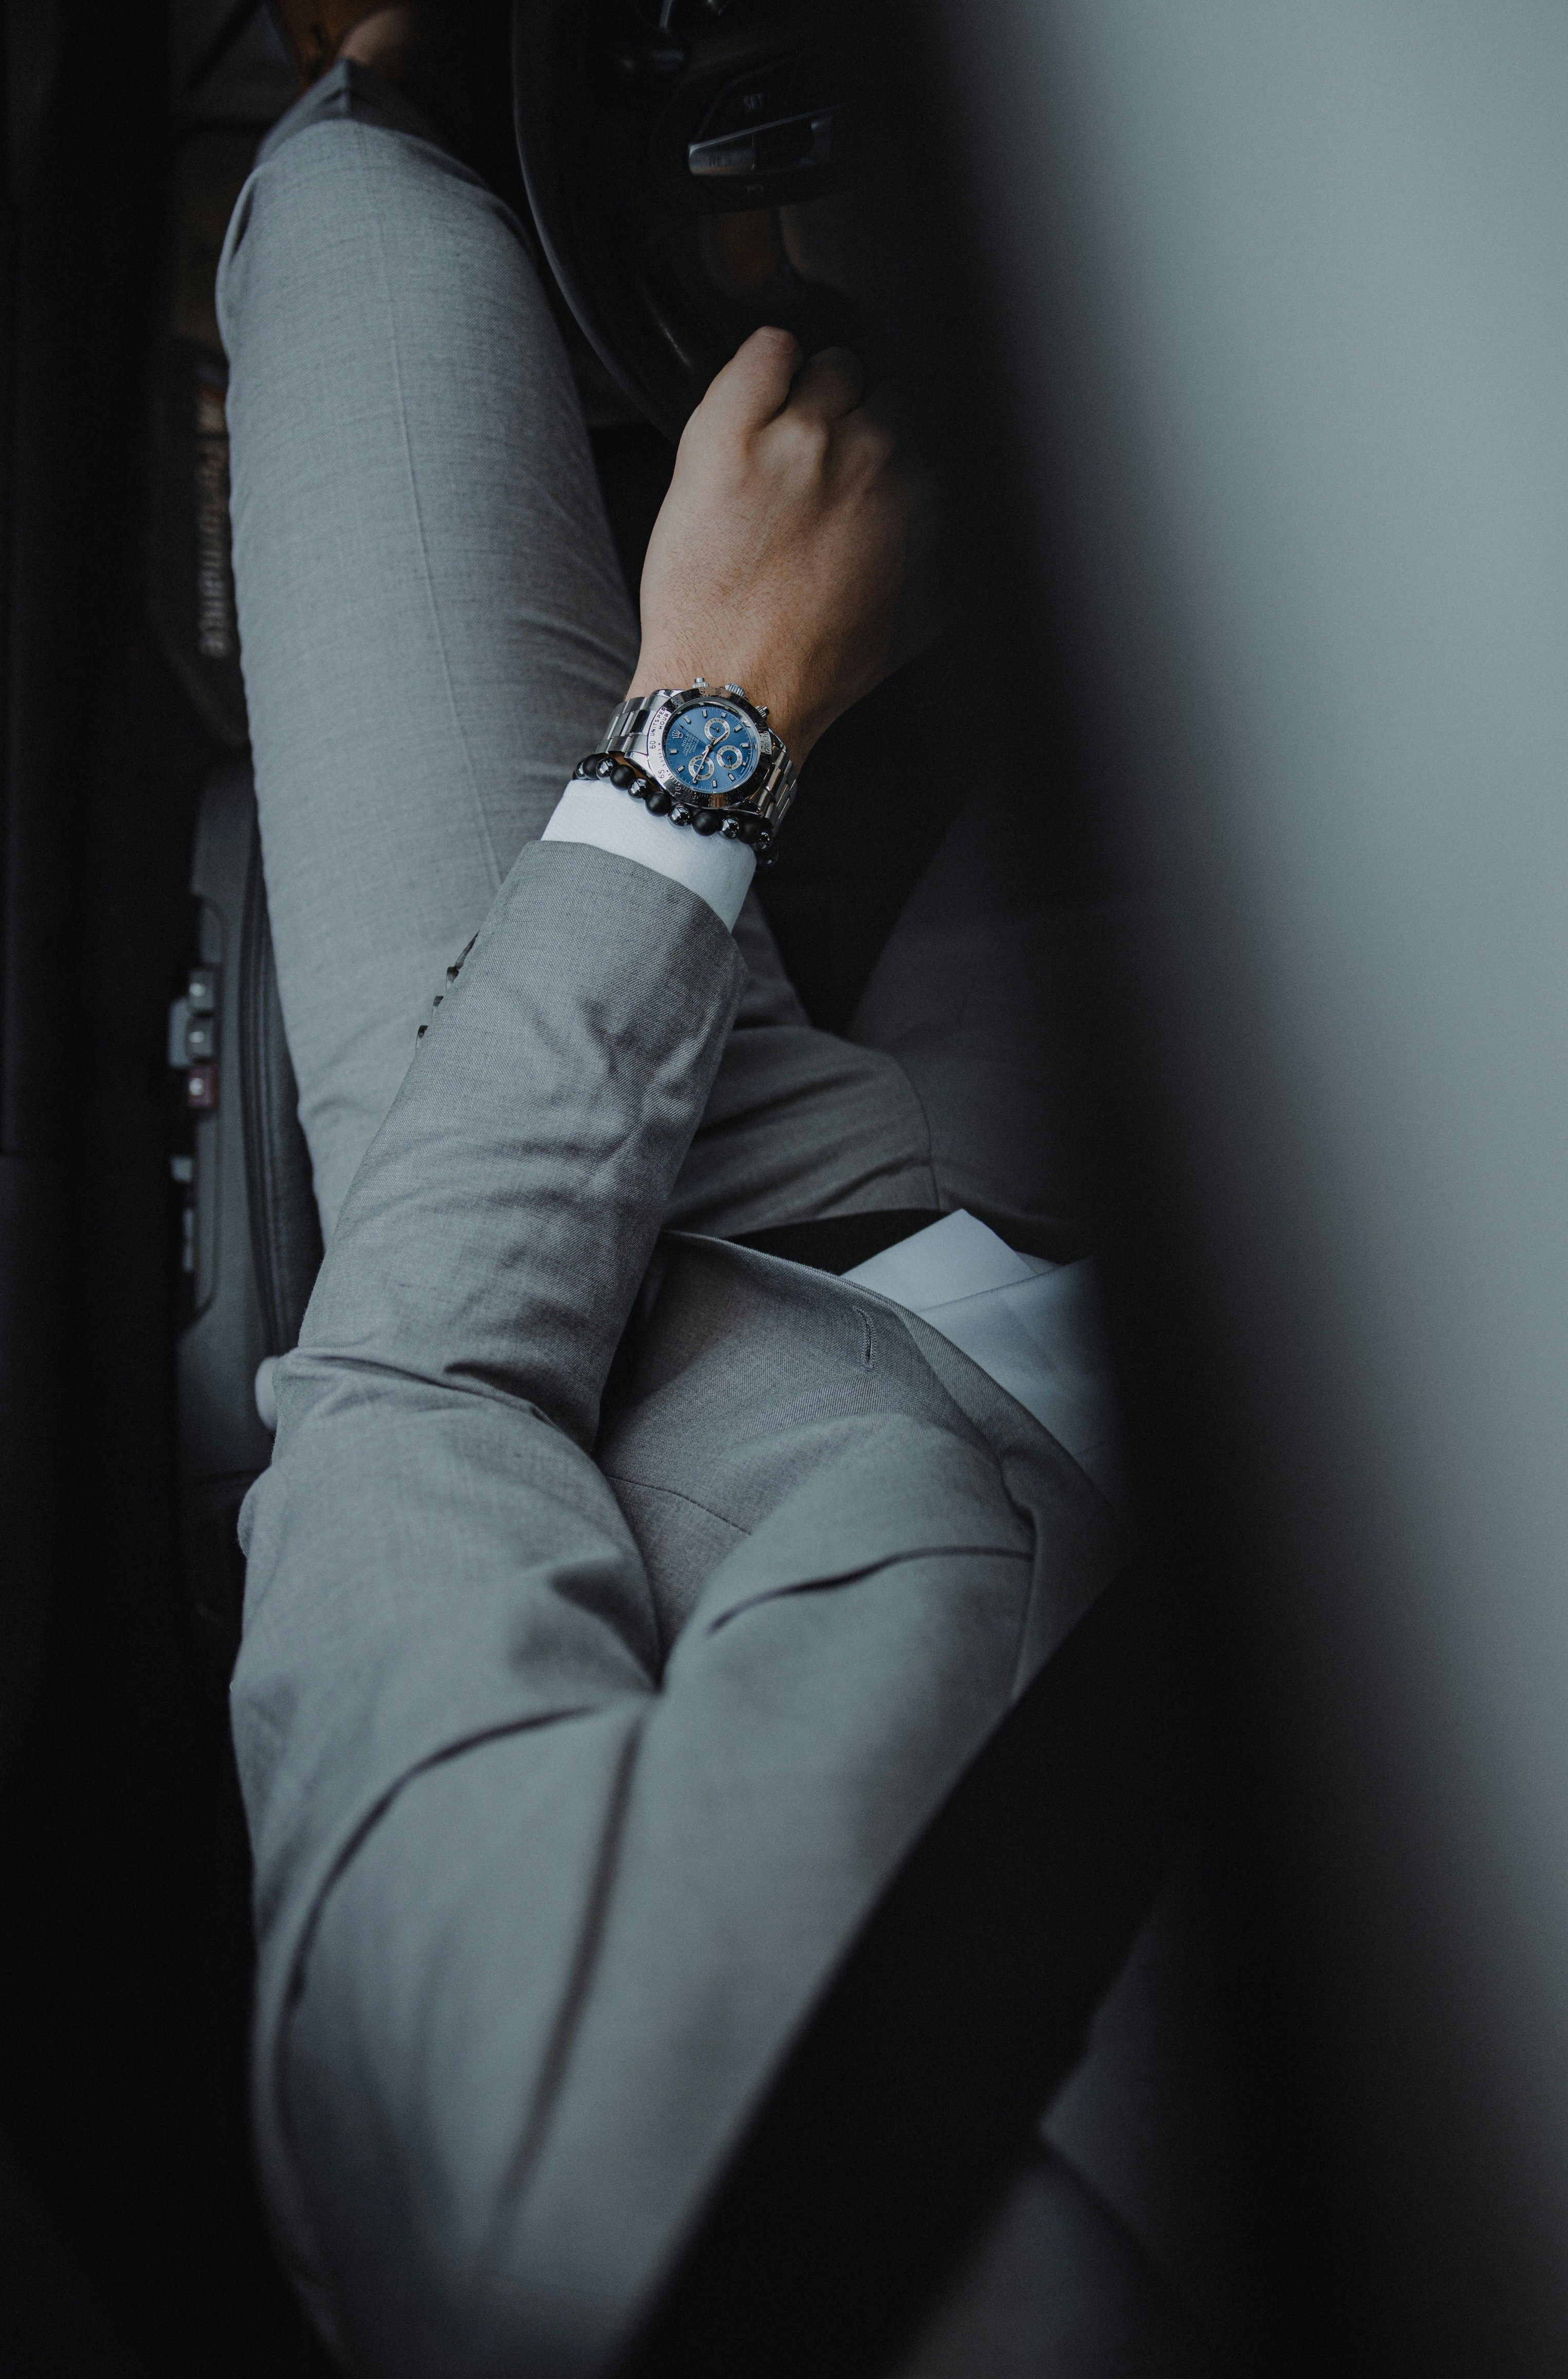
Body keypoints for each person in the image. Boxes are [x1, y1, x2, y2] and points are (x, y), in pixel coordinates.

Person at [219, 14, 1192, 2375]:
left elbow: (410, 1379)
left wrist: (717, 722)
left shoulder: (547, 2176)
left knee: (361, 221)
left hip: (695, 1274)